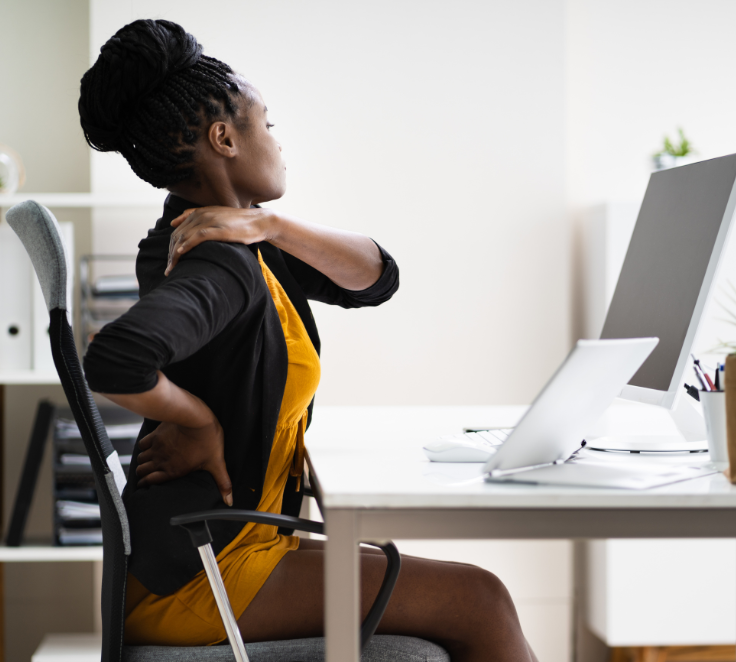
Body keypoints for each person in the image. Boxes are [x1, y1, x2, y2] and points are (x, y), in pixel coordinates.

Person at [79, 19, 536, 662]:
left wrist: (269, 223)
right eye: (268, 124)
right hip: (205, 571)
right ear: (224, 138)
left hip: (230, 541)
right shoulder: (215, 262)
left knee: (466, 600)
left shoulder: (236, 242)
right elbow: (114, 357)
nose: (278, 142)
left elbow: (376, 278)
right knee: (480, 600)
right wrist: (199, 421)